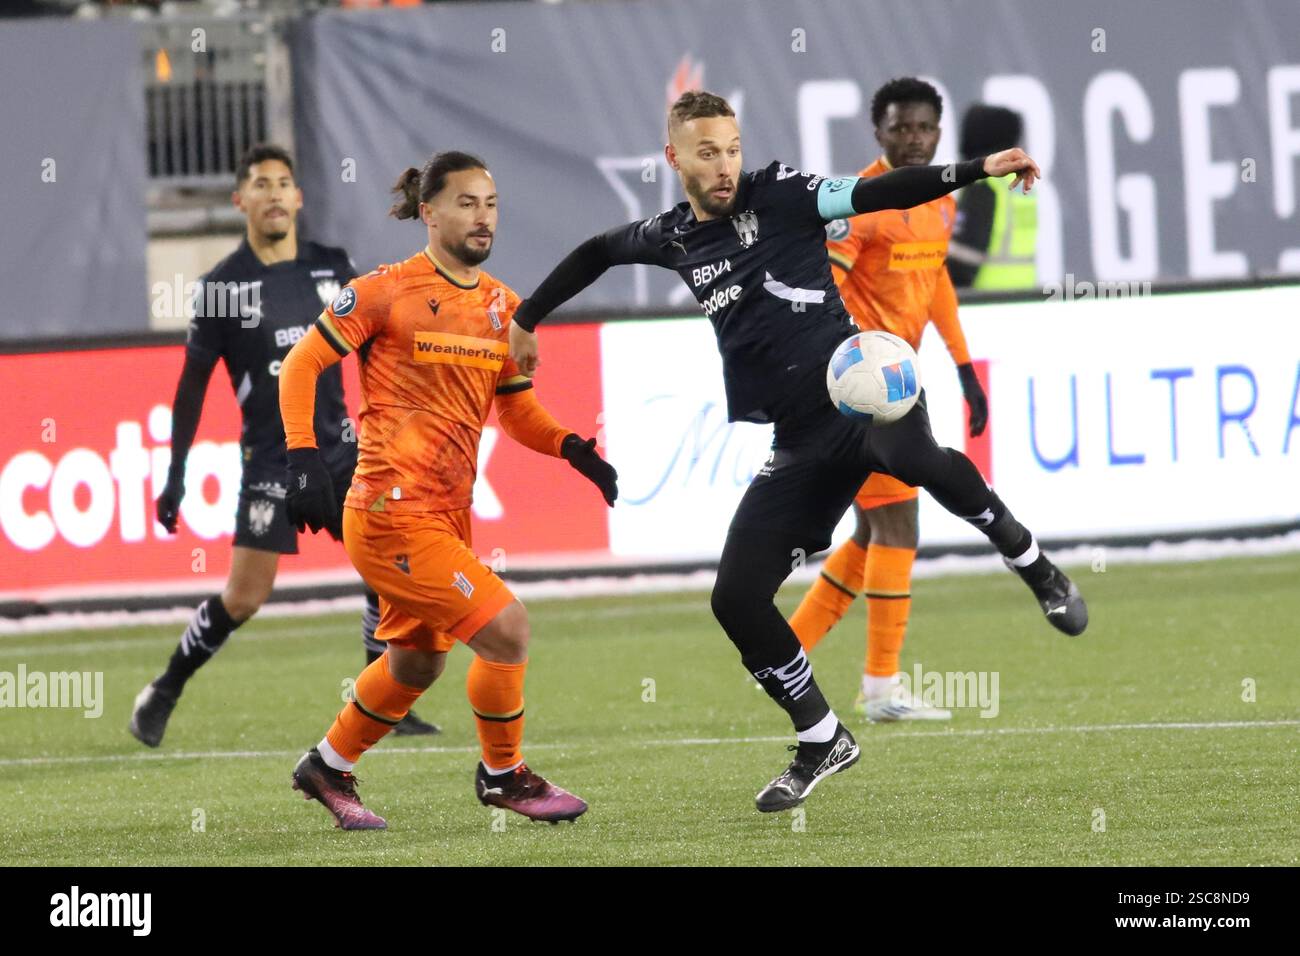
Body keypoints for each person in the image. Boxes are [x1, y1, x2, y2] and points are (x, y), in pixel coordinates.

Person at [509, 91, 1087, 814]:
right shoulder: (672, 237)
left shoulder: (783, 193)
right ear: (674, 159)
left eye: (731, 149)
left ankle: (1030, 559)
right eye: (707, 152)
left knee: (917, 461)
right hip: (801, 440)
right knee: (736, 599)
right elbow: (598, 250)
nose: (724, 166)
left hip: (861, 390)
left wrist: (973, 169)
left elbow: (880, 191)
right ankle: (822, 737)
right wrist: (525, 317)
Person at [279, 151, 617, 829]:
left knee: (415, 663)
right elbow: (301, 362)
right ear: (429, 213)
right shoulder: (384, 290)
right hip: (388, 512)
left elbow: (516, 408)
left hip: (446, 514)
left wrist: (571, 446)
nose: (483, 216)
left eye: (491, 203)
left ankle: (327, 767)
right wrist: (302, 460)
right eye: (466, 202)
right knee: (507, 629)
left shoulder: (503, 309)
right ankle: (505, 776)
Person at [130, 144, 439, 748]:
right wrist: (176, 473)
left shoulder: (333, 265)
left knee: (389, 556)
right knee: (244, 597)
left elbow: (379, 343)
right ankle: (164, 689)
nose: (273, 193)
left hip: (343, 451)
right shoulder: (221, 288)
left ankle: (383, 699)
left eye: (283, 183)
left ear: (298, 198)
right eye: (260, 184)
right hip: (273, 462)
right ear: (239, 200)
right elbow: (192, 385)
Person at [789, 77, 988, 722]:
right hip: (860, 389)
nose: (912, 139)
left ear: (938, 133)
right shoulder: (863, 204)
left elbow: (934, 289)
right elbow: (827, 285)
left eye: (923, 128)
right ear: (878, 132)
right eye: (900, 128)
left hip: (902, 384)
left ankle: (784, 652)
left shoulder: (940, 199)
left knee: (873, 530)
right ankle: (880, 687)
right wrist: (834, 369)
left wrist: (963, 368)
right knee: (899, 524)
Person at [946, 104, 1038, 289]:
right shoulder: (1020, 184)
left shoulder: (984, 186)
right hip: (1023, 292)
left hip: (984, 298)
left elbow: (964, 258)